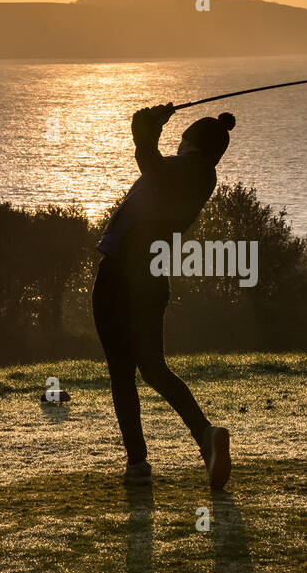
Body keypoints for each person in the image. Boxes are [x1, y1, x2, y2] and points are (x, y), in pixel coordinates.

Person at [94, 102, 235, 488]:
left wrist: (144, 131)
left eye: (182, 140)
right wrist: (147, 132)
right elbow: (153, 163)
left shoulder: (188, 171)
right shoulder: (200, 176)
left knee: (122, 372)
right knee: (153, 367)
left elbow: (150, 164)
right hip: (151, 278)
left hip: (121, 272)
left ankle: (138, 464)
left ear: (190, 144)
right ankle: (204, 436)